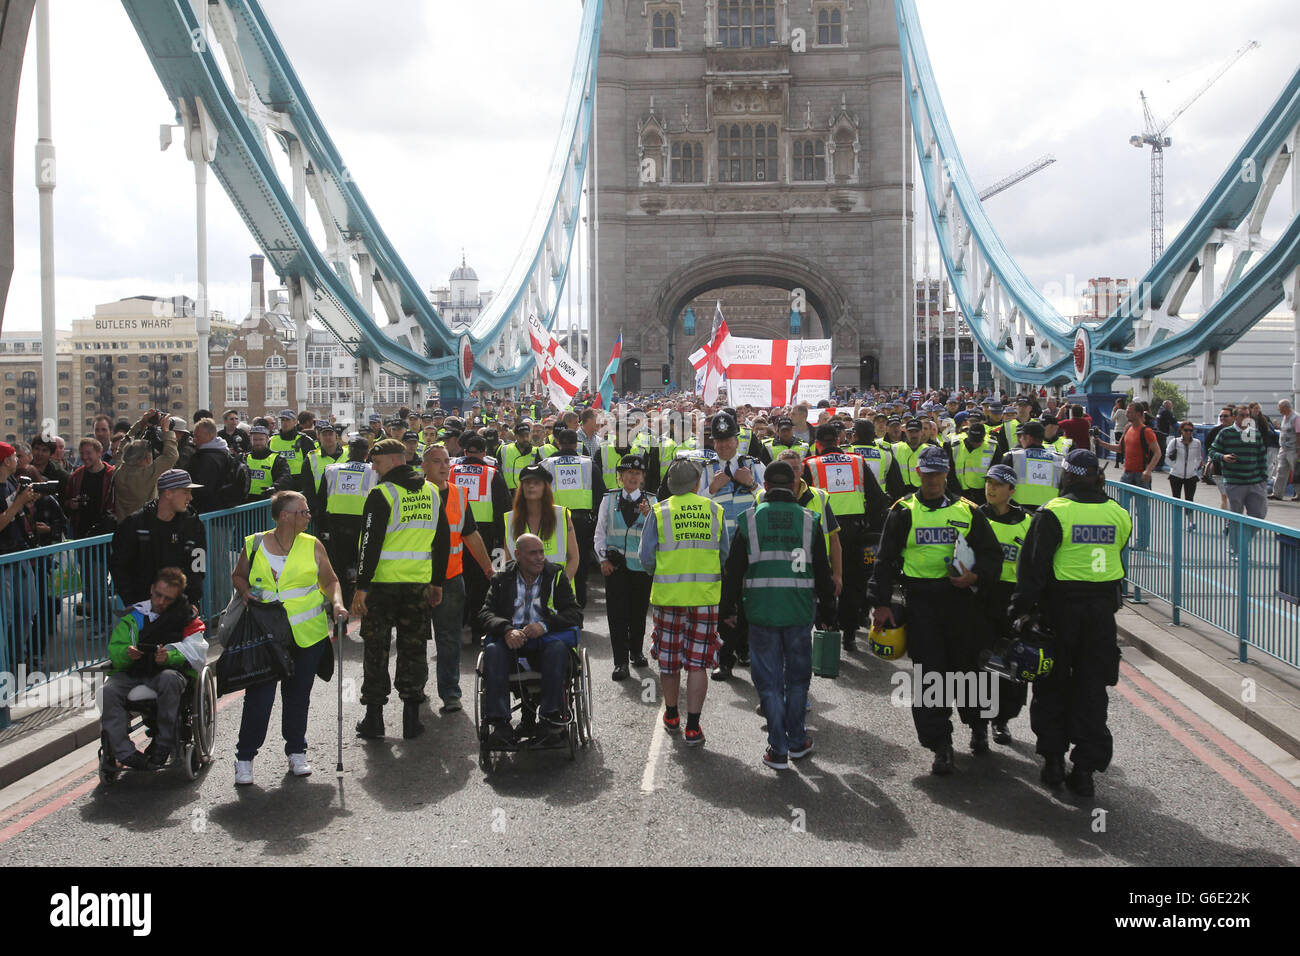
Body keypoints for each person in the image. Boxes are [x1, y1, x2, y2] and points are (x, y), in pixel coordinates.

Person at [866, 445, 1002, 775]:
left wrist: (974, 576)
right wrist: (881, 603)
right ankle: (940, 744)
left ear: (946, 474)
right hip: (922, 602)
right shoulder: (903, 511)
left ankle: (978, 725)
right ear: (919, 474)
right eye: (927, 474)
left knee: (968, 669)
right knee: (931, 675)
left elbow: (991, 555)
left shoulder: (969, 511)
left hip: (960, 602)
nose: (933, 480)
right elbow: (884, 560)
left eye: (939, 474)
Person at [1009, 449, 1132, 797]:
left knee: (1052, 687)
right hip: (1101, 618)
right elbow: (1117, 552)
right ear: (1097, 476)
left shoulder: (1052, 513)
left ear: (1065, 475)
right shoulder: (1118, 513)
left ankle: (1052, 760)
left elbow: (1032, 569)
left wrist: (1020, 611)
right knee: (1092, 691)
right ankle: (1085, 770)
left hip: (1059, 615)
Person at [720, 461, 835, 771]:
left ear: (766, 487)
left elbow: (733, 573)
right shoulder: (810, 520)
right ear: (794, 486)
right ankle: (797, 741)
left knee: (769, 683)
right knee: (798, 681)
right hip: (799, 610)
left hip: (761, 611)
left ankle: (778, 748)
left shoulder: (749, 520)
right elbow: (823, 572)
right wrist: (828, 611)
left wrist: (725, 611)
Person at [230, 491, 346, 784]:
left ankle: (296, 752)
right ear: (284, 516)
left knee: (297, 696)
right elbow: (238, 575)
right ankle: (245, 757)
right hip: (265, 634)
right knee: (259, 697)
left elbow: (330, 580)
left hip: (307, 635)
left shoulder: (313, 544)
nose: (308, 516)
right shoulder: (254, 543)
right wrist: (245, 592)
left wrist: (337, 602)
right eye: (303, 512)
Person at [351, 438, 449, 741]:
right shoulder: (432, 491)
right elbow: (442, 540)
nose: (373, 468)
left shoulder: (382, 494)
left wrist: (361, 588)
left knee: (376, 650)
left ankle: (374, 719)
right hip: (417, 585)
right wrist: (437, 583)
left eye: (377, 462)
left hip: (381, 587)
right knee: (414, 649)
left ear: (394, 460)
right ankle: (411, 719)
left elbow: (370, 544)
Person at [639, 459, 729, 747]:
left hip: (669, 597)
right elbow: (723, 553)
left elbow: (646, 557)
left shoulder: (660, 511)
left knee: (669, 661)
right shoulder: (714, 510)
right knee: (697, 663)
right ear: (695, 483)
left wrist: (662, 573)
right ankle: (693, 727)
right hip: (704, 597)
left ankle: (672, 715)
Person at [476, 533, 584, 748]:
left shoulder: (555, 576)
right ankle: (500, 725)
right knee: (493, 652)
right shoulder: (501, 578)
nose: (539, 558)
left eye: (542, 552)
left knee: (558, 650)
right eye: (533, 553)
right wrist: (506, 630)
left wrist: (544, 626)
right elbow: (485, 613)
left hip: (543, 643)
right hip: (512, 645)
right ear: (517, 555)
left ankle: (550, 720)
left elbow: (574, 614)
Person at [100, 566, 207, 772]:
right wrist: (127, 653)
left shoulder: (187, 618)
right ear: (151, 589)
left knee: (169, 679)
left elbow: (196, 652)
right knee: (107, 691)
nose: (160, 602)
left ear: (176, 599)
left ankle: (163, 743)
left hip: (166, 675)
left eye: (167, 599)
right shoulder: (134, 615)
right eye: (158, 595)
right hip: (133, 672)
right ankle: (124, 753)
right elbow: (116, 650)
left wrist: (170, 656)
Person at [803, 422, 889, 651]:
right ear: (839, 441)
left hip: (824, 531)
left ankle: (827, 628)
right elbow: (879, 500)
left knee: (824, 580)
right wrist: (865, 519)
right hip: (856, 530)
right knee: (853, 583)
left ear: (818, 444)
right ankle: (849, 632)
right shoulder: (857, 461)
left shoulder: (810, 465)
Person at [423, 444, 494, 712]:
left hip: (451, 578)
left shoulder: (459, 495)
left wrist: (489, 569)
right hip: (418, 578)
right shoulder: (414, 495)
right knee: (418, 639)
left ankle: (450, 693)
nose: (443, 466)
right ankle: (416, 689)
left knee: (449, 637)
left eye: (445, 462)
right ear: (424, 467)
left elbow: (471, 535)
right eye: (436, 461)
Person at [697, 413, 764, 681]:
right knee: (723, 605)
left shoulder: (753, 464)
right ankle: (724, 659)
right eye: (719, 440)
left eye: (728, 440)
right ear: (713, 443)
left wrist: (751, 483)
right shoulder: (705, 470)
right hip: (721, 547)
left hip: (750, 543)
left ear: (738, 440)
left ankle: (745, 648)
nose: (724, 445)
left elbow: (767, 498)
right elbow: (697, 506)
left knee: (748, 600)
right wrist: (710, 490)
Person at [977, 464, 1033, 746]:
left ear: (1011, 490)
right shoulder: (975, 517)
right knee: (978, 663)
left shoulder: (1028, 523)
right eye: (989, 483)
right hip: (980, 598)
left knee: (1010, 666)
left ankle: (1002, 720)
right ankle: (978, 725)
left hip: (1011, 602)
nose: (991, 488)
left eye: (998, 484)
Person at [109, 469, 207, 611]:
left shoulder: (193, 525)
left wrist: (192, 601)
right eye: (185, 492)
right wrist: (132, 601)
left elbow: (197, 569)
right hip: (143, 607)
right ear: (168, 493)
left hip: (181, 608)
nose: (190, 498)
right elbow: (119, 566)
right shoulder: (135, 525)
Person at [595, 454, 655, 681]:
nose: (633, 477)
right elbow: (600, 533)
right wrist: (603, 560)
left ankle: (636, 651)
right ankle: (620, 661)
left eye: (637, 474)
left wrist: (650, 518)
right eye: (628, 473)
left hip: (641, 568)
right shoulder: (608, 499)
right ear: (620, 477)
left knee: (638, 613)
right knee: (617, 615)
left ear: (642, 478)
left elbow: (658, 536)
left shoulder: (653, 501)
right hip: (616, 567)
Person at [450, 432, 510, 643]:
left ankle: (457, 623)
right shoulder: (492, 473)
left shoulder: (451, 471)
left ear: (464, 452)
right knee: (486, 581)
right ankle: (479, 626)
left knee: (457, 579)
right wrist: (501, 544)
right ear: (484, 453)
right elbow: (504, 509)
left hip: (453, 535)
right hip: (485, 537)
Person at [540, 428, 600, 606]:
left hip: (553, 520)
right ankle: (578, 607)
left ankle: (552, 604)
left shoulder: (546, 464)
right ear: (576, 444)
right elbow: (600, 493)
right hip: (581, 522)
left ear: (558, 443)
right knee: (579, 566)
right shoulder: (588, 464)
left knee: (551, 563)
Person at [1210, 404, 1270, 552]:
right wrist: (1223, 457)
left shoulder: (1255, 434)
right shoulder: (1225, 433)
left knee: (1258, 515)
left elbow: (1262, 456)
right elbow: (1212, 450)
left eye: (1247, 415)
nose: (1245, 418)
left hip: (1255, 481)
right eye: (1242, 415)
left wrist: (1263, 478)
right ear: (1235, 417)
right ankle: (1236, 548)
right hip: (1234, 482)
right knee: (1236, 517)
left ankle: (1242, 541)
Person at [505, 465, 579, 577]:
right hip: (522, 592)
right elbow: (507, 561)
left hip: (557, 591)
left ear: (546, 487)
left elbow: (574, 558)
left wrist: (562, 587)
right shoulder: (510, 519)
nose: (531, 486)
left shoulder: (561, 515)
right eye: (527, 482)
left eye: (536, 483)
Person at [1002, 421, 1064, 512]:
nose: (1020, 440)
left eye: (1021, 437)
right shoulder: (1059, 459)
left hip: (1018, 512)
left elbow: (1002, 485)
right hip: (1050, 511)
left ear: (1028, 437)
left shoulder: (1012, 457)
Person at [270, 409, 317, 493]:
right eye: (282, 420)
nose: (284, 423)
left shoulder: (304, 440)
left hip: (298, 483)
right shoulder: (272, 439)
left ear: (295, 422)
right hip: (278, 482)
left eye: (287, 420)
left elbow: (314, 464)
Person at [1165, 420, 1203, 514]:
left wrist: (1194, 467)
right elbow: (1167, 457)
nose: (1188, 432)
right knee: (1176, 499)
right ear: (1181, 430)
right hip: (1176, 475)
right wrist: (1175, 466)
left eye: (1191, 430)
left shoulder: (1197, 443)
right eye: (1186, 430)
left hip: (1191, 475)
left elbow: (1199, 458)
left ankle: (1190, 521)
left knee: (1189, 500)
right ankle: (1176, 520)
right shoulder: (1174, 442)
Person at [1271, 399, 1299, 501]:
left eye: (1280, 408)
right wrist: (1278, 426)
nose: (1279, 411)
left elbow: (1298, 434)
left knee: (1296, 471)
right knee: (1280, 470)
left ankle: (1299, 494)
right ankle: (1277, 493)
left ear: (1286, 408)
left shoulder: (1296, 418)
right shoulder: (1285, 417)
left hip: (1294, 449)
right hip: (1284, 448)